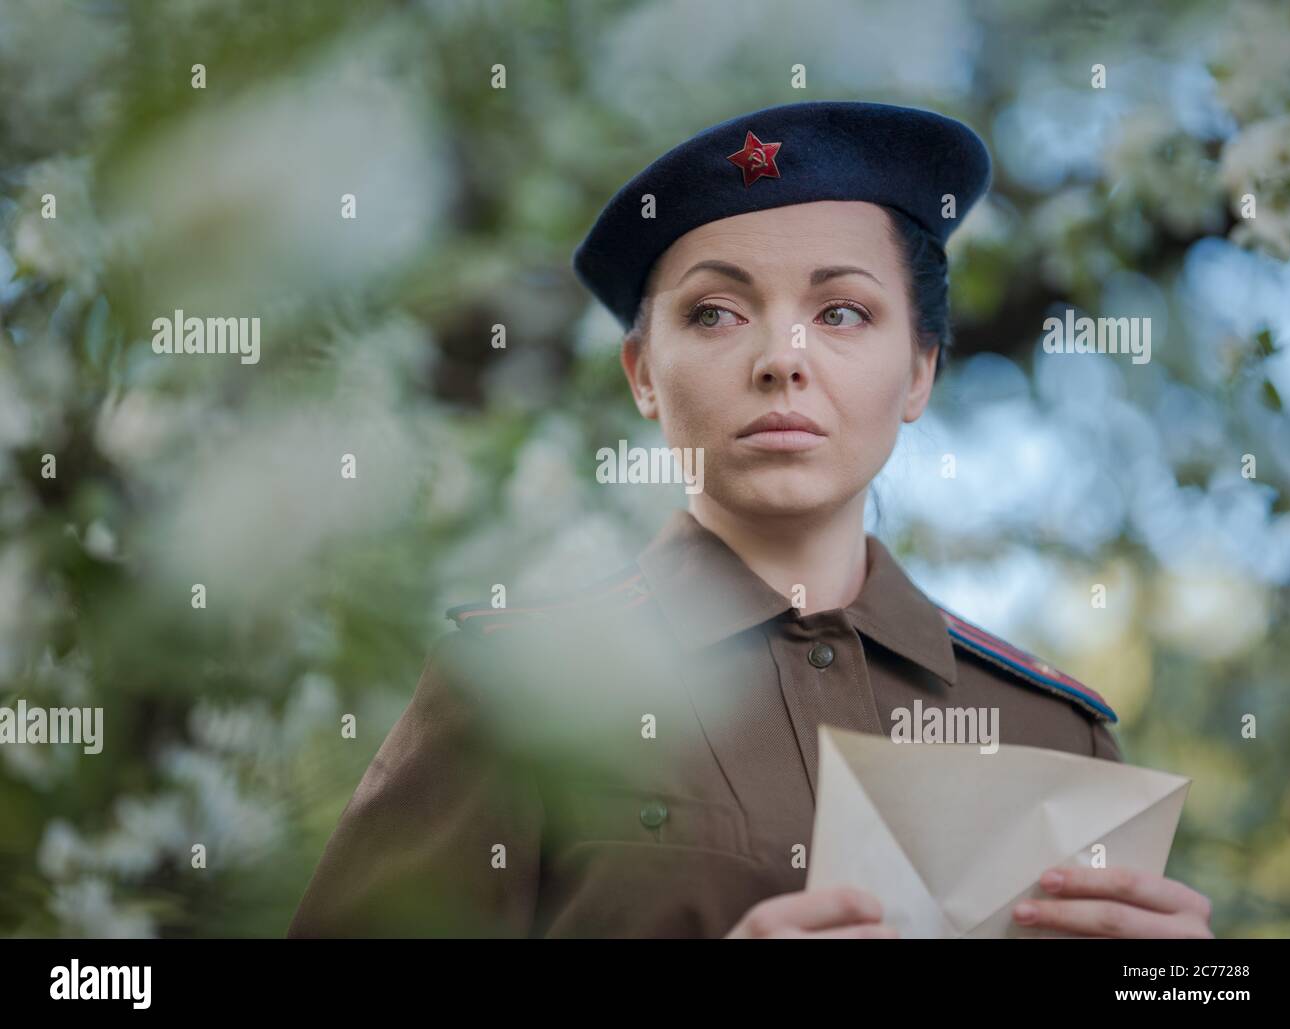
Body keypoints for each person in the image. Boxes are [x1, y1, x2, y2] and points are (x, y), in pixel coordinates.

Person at [287, 100, 1213, 940]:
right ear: (644, 375)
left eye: (843, 311)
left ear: (921, 369)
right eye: (717, 312)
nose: (783, 359)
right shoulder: (517, 697)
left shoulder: (1054, 735)